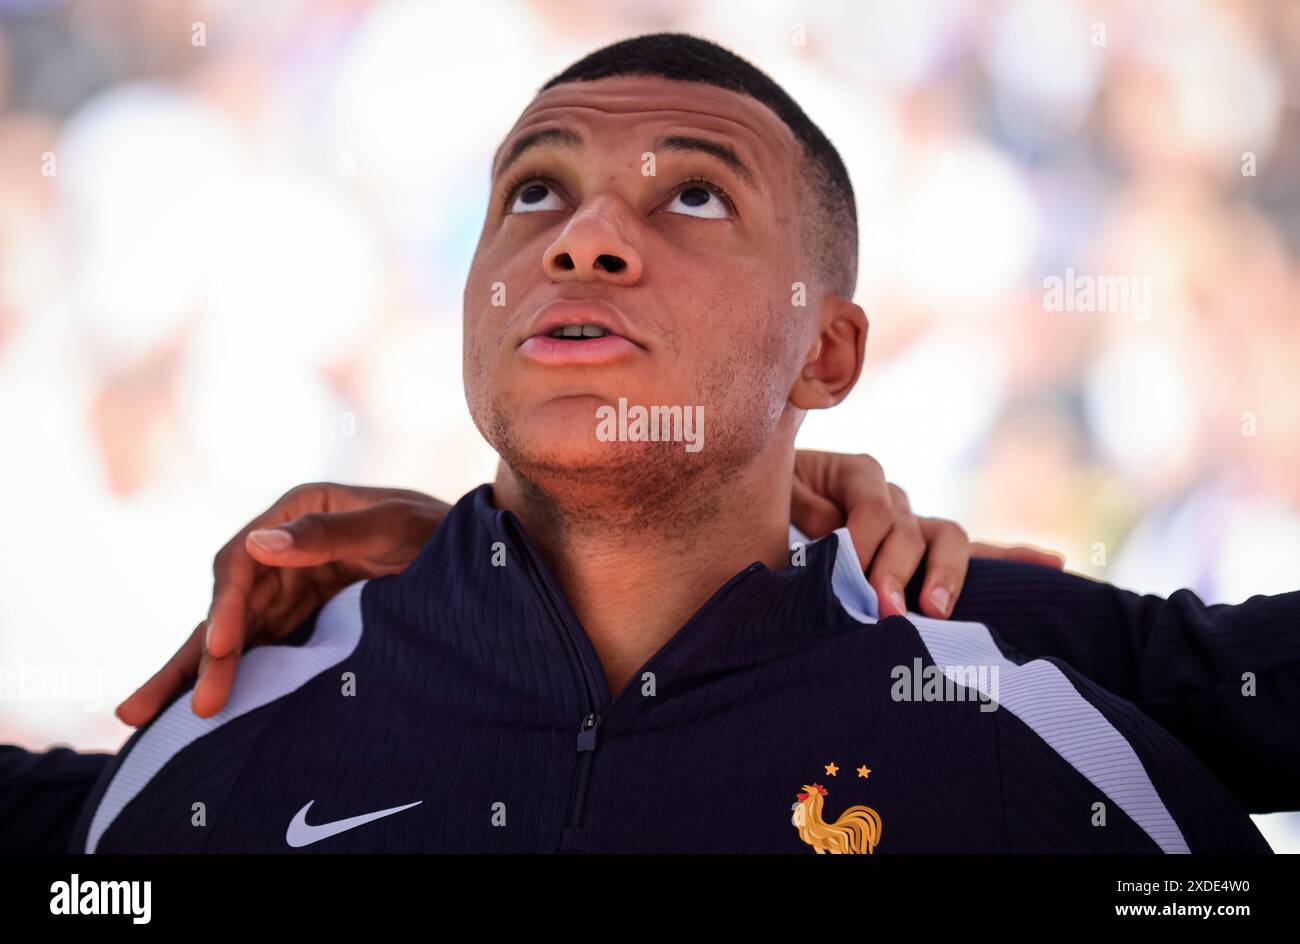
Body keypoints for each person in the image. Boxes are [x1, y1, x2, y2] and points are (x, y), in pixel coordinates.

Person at [2, 33, 1292, 854]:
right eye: (534, 190)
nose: (581, 238)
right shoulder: (230, 731)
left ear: (827, 355)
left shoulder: (1039, 726)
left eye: (694, 193)